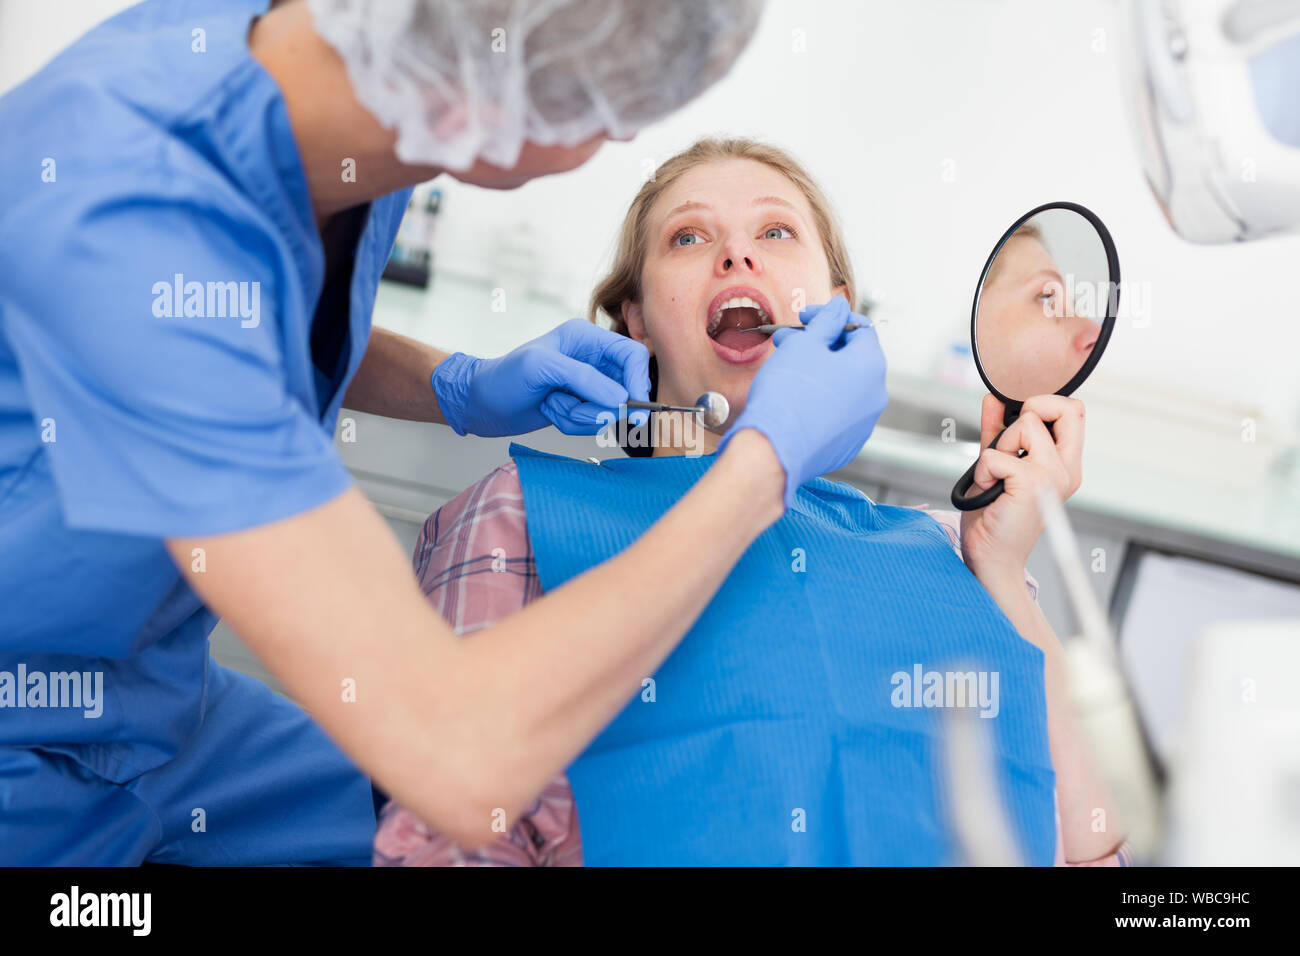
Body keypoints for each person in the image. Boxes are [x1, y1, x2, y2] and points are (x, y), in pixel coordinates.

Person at [0, 0, 898, 866]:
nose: (621, 137)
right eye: (605, 103)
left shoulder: (351, 84)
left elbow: (240, 323)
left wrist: (457, 386)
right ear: (486, 90)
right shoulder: (122, 209)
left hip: (165, 702)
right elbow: (457, 765)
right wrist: (766, 463)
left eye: (776, 230)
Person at [372, 138, 1132, 866]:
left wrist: (1003, 573)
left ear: (841, 308)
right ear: (636, 321)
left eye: (775, 229)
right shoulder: (520, 514)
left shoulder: (956, 550)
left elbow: (1096, 855)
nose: (737, 253)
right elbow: (446, 841)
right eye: (688, 238)